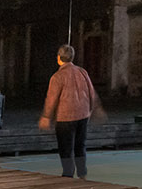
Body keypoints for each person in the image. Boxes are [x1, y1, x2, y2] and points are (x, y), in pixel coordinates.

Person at [37, 44, 103, 178]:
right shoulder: (82, 72)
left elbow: (52, 98)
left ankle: (68, 173)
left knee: (66, 147)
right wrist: (95, 108)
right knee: (80, 145)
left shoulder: (57, 77)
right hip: (83, 114)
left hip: (65, 117)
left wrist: (46, 116)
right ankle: (82, 172)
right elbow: (91, 92)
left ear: (58, 58)